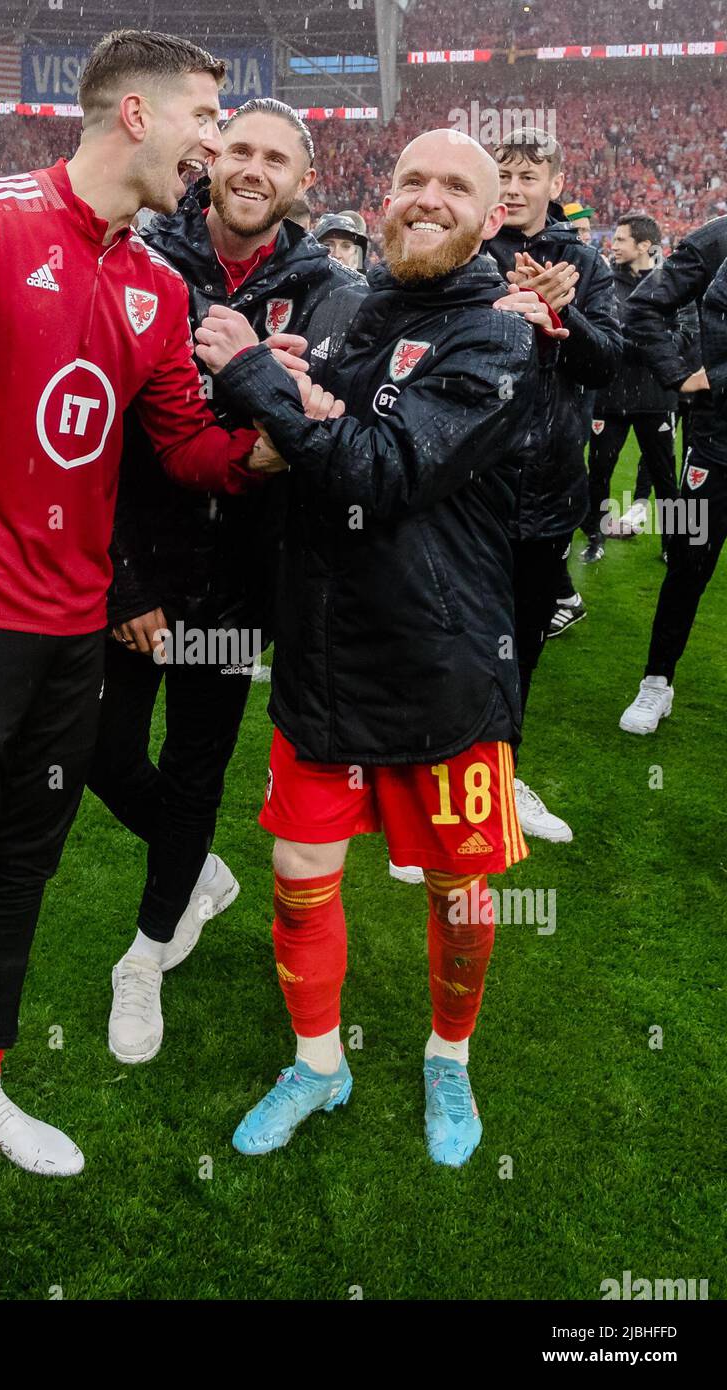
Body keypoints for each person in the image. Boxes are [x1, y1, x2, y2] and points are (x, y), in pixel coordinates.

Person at [0, 28, 285, 1236]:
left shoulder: (157, 285)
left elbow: (185, 451)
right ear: (139, 117)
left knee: (22, 875)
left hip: (75, 636)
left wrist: (270, 434)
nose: (215, 143)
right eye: (208, 116)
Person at [195, 129, 560, 1168]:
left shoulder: (498, 336)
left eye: (456, 185)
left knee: (461, 889)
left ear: (494, 217)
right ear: (384, 199)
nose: (426, 197)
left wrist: (268, 385)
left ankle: (448, 1054)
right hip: (320, 649)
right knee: (298, 868)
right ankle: (318, 1061)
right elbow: (312, 440)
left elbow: (379, 471)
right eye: (410, 181)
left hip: (441, 661)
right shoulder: (357, 315)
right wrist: (286, 388)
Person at [87, 98, 359, 1066]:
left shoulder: (330, 288)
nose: (252, 169)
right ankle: (195, 870)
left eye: (274, 158)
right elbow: (101, 424)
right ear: (209, 158)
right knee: (97, 748)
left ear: (300, 181)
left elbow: (329, 428)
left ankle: (147, 948)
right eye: (237, 147)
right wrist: (124, 581)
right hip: (136, 565)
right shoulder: (141, 251)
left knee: (197, 759)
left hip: (243, 581)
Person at [486, 128, 622, 842]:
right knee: (443, 639)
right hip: (460, 487)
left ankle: (503, 774)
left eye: (527, 175)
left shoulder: (586, 264)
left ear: (554, 182)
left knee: (521, 645)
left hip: (543, 492)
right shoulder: (464, 248)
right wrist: (508, 307)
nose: (512, 187)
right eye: (501, 173)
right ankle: (421, 791)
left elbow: (607, 365)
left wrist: (559, 313)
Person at [618, 217, 727, 734]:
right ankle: (656, 682)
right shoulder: (716, 238)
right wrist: (680, 374)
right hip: (712, 444)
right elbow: (641, 307)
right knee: (686, 560)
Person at [581, 214, 681, 564]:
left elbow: (683, 336)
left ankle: (672, 544)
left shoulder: (671, 284)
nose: (614, 244)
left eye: (622, 239)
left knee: (665, 476)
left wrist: (632, 342)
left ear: (643, 246)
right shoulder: (605, 283)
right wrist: (650, 343)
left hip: (657, 397)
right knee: (600, 472)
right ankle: (595, 537)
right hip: (610, 397)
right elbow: (601, 333)